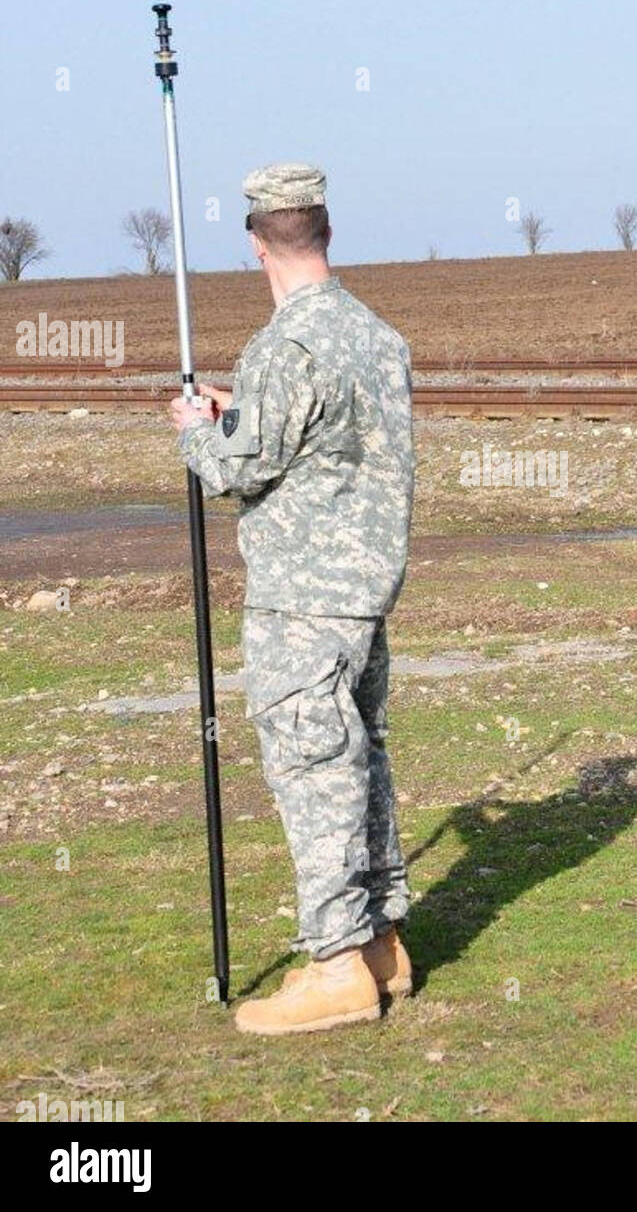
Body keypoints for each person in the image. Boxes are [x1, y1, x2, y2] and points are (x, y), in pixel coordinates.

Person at [169, 163, 416, 1033]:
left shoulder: (285, 347)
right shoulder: (375, 336)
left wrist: (201, 432)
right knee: (363, 758)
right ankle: (383, 941)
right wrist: (246, 408)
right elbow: (328, 436)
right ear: (326, 232)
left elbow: (241, 470)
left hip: (299, 602)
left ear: (255, 244)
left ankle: (336, 966)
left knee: (315, 774)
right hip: (363, 594)